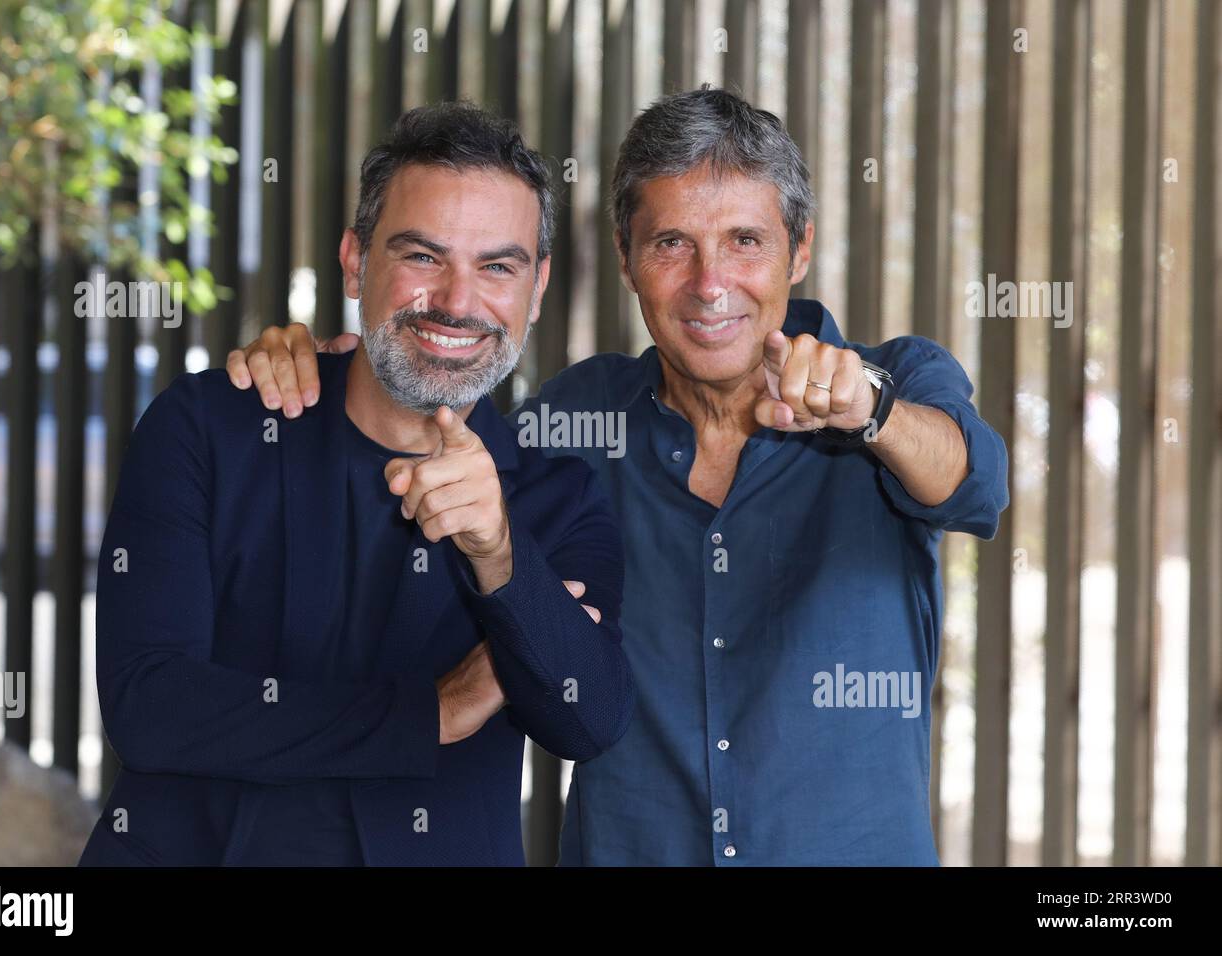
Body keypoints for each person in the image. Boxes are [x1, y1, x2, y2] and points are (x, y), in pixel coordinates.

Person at [229, 87, 1010, 866]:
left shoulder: (899, 380)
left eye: (745, 241)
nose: (710, 284)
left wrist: (872, 412)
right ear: (627, 257)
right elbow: (420, 465)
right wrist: (331, 372)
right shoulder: (574, 417)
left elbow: (977, 487)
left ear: (798, 249)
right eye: (672, 243)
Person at [79, 102, 635, 867]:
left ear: (536, 290)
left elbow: (589, 719)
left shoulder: (557, 502)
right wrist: (429, 713)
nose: (458, 301)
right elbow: (149, 707)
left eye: (497, 266)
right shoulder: (208, 429)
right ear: (354, 262)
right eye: (423, 256)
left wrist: (501, 557)